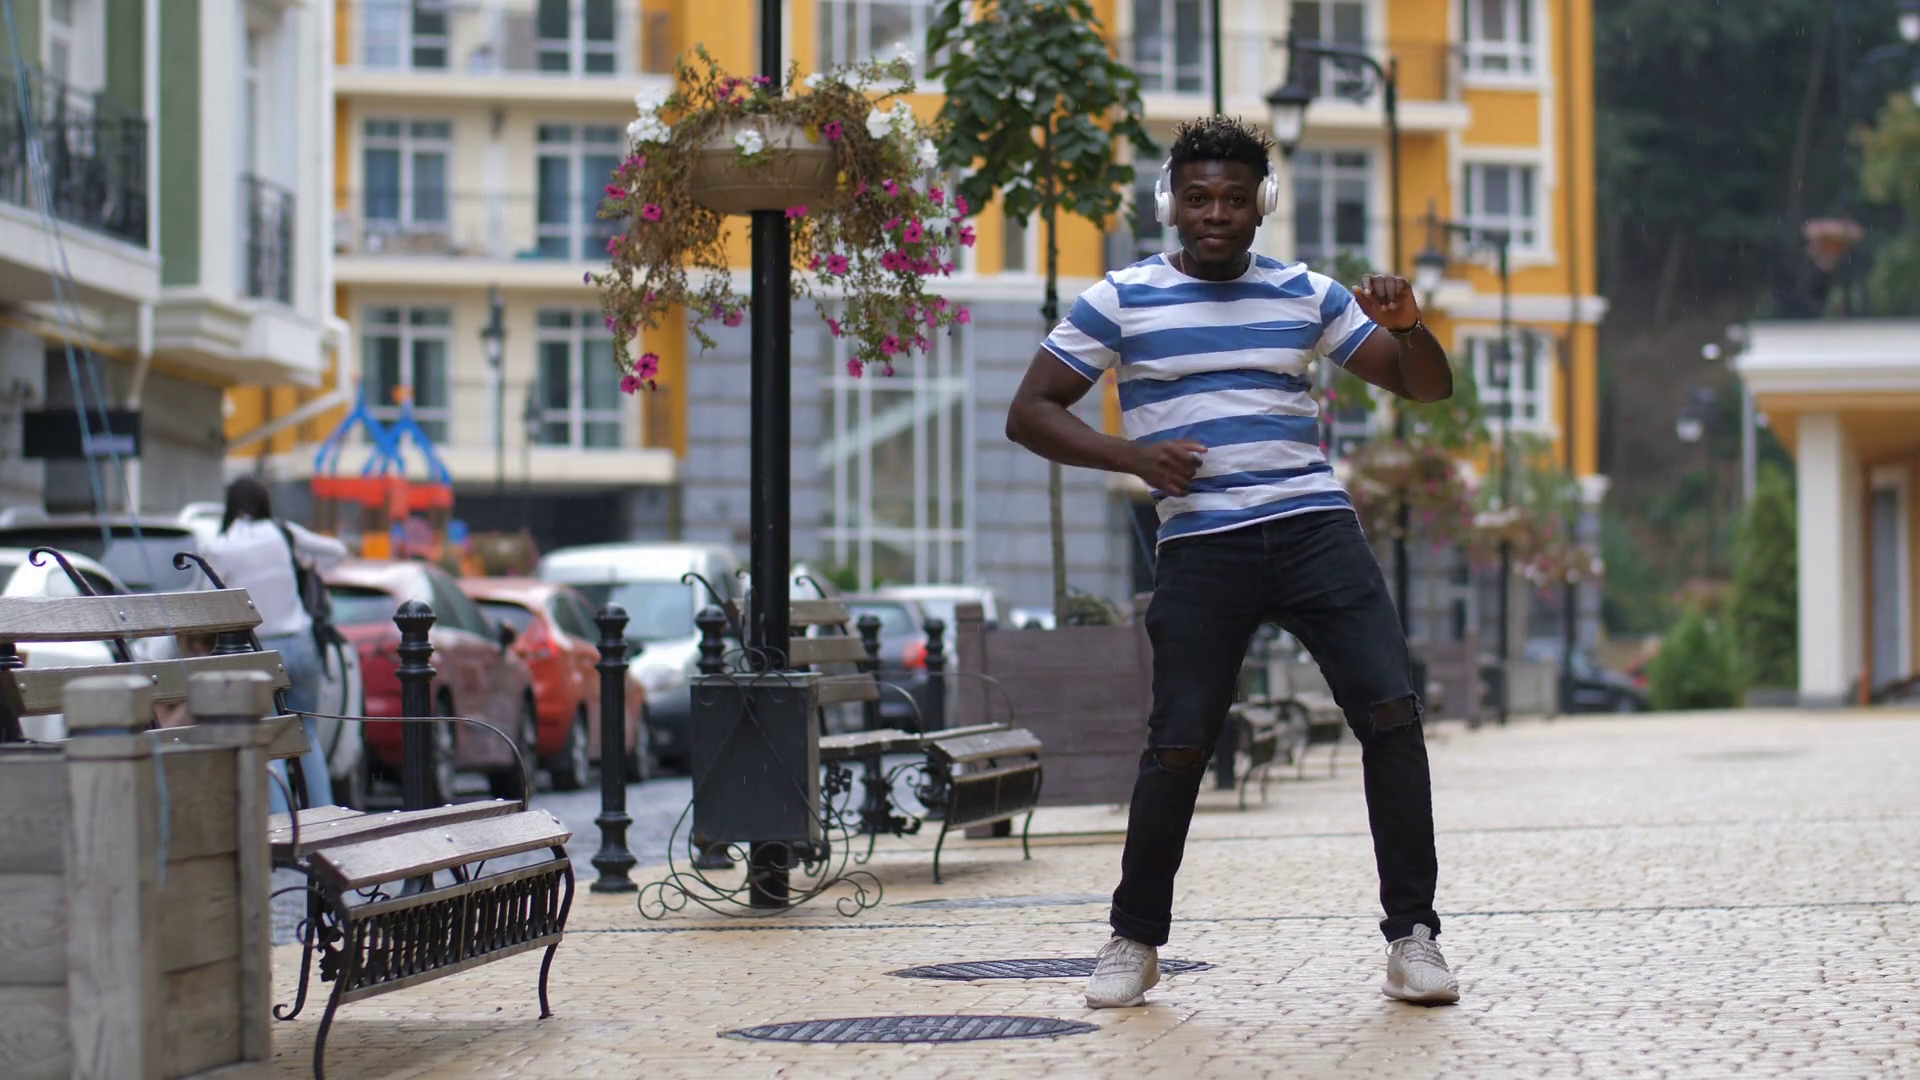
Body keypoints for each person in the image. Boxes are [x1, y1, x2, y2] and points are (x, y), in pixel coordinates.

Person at [1005, 116, 1461, 1008]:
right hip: (1202, 543)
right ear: (1169, 203)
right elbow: (1030, 412)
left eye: (1236, 199)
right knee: (1178, 744)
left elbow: (1426, 386)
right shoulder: (1120, 299)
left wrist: (1411, 329)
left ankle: (1415, 938)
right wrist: (1135, 458)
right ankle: (1134, 939)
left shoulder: (1306, 293)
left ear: (1265, 206)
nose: (1216, 213)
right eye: (1199, 197)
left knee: (1392, 715)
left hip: (1313, 527)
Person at [202, 476, 349, 809]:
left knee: (269, 739)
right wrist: (309, 564)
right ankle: (325, 815)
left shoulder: (221, 546)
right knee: (305, 733)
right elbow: (337, 551)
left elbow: (205, 598)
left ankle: (283, 826)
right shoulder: (284, 533)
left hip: (261, 650)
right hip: (302, 642)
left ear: (232, 506)